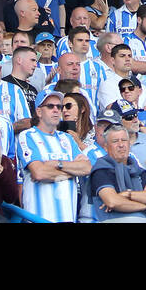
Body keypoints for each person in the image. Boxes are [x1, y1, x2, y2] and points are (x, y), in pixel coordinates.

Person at [18, 88, 90, 222]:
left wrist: (58, 164)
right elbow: (39, 173)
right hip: (39, 217)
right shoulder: (27, 136)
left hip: (67, 217)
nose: (57, 110)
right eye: (50, 106)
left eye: (59, 106)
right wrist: (72, 171)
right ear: (39, 111)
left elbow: (86, 168)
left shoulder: (67, 139)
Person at [88, 123, 146, 222]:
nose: (121, 145)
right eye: (115, 141)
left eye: (124, 140)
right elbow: (112, 202)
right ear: (106, 147)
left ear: (129, 144)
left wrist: (128, 194)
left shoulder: (139, 171)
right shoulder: (101, 170)